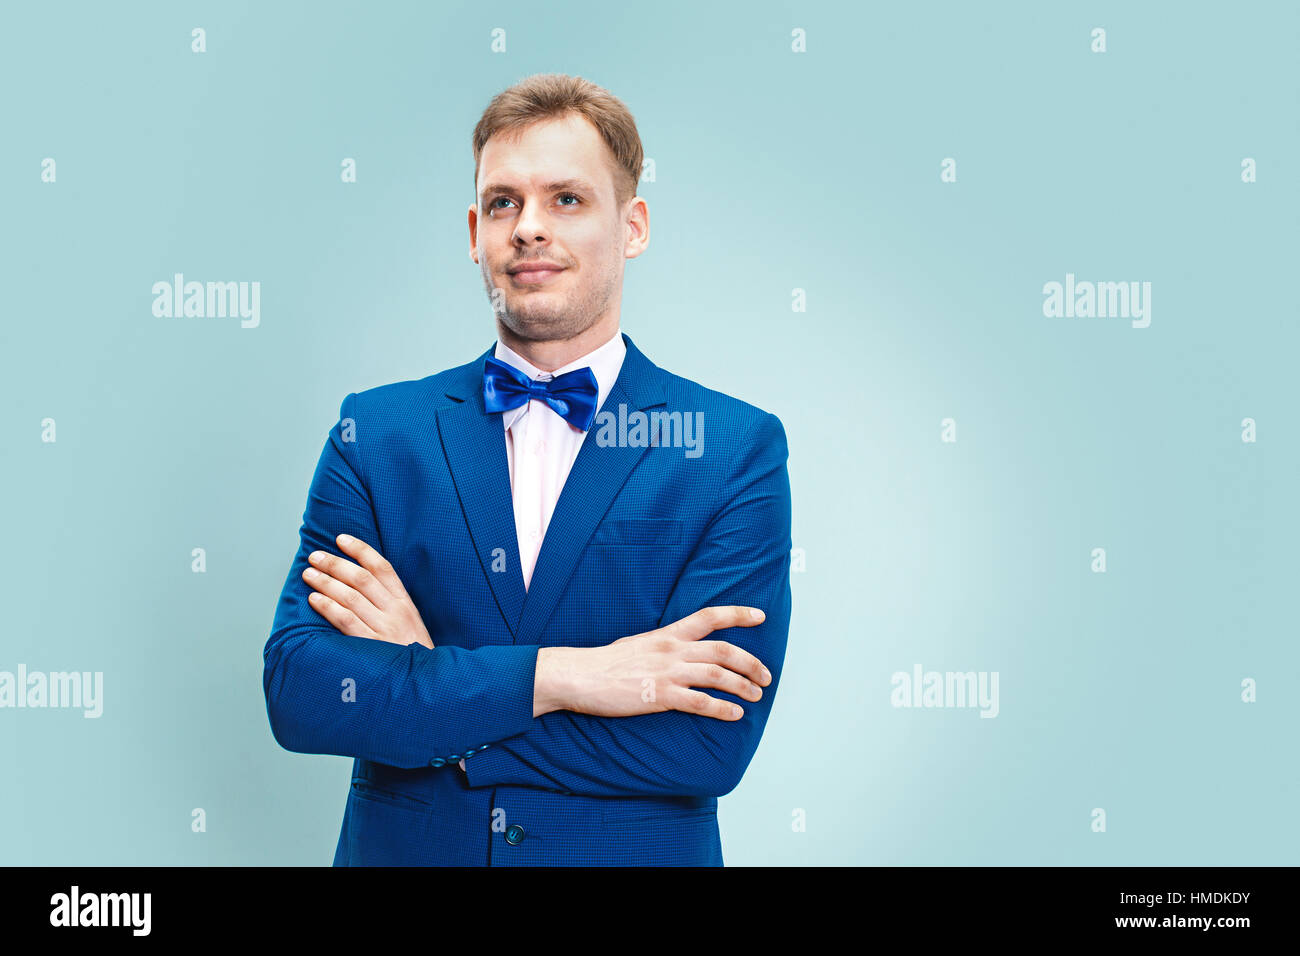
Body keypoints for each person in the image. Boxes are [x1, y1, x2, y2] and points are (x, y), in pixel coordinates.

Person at [262, 73, 792, 866]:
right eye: (504, 203)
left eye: (567, 200)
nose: (528, 228)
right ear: (475, 230)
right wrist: (570, 677)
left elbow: (703, 744)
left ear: (633, 226)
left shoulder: (730, 449)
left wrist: (430, 690)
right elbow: (302, 694)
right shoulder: (373, 433)